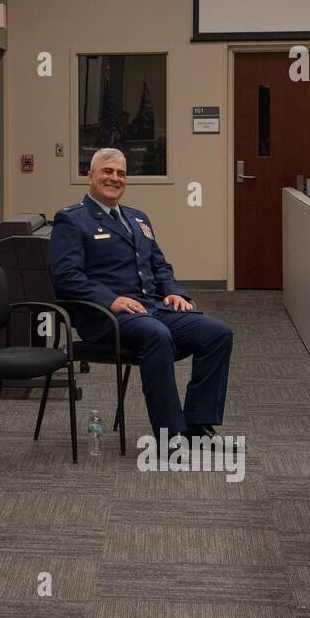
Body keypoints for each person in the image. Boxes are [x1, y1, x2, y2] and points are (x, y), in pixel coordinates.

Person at [49, 147, 233, 441]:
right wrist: (110, 299)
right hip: (106, 315)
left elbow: (159, 265)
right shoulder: (72, 220)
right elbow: (66, 277)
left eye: (121, 173)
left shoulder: (137, 218)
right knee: (157, 335)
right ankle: (170, 435)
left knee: (217, 333)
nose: (115, 178)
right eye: (107, 171)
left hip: (150, 307)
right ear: (91, 177)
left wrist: (174, 292)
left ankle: (198, 424)